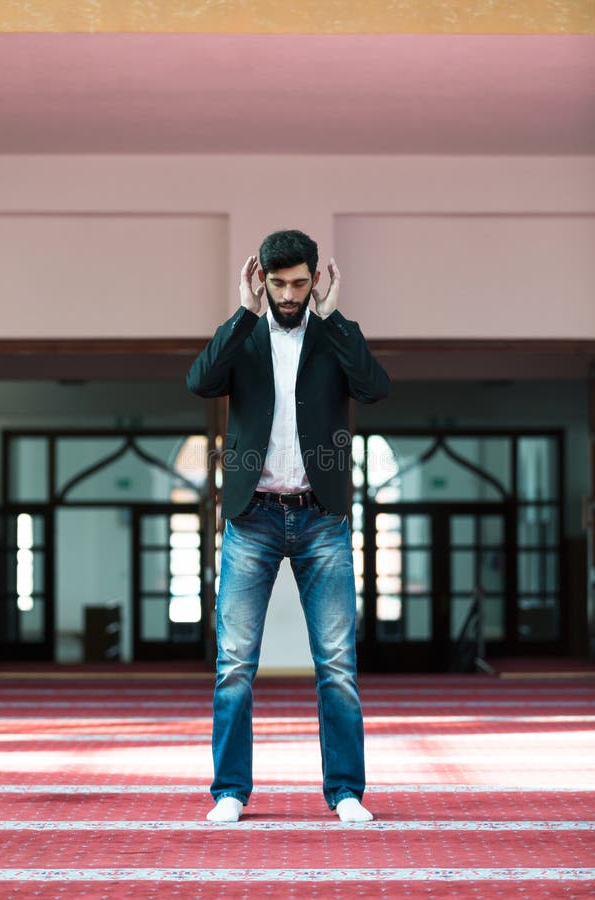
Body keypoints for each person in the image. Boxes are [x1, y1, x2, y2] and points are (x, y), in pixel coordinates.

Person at [187, 229, 390, 823]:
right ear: (263, 280)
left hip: (320, 516)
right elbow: (200, 381)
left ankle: (346, 791)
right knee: (234, 666)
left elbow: (375, 389)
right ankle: (229, 792)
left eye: (300, 284)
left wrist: (335, 318)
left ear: (315, 279)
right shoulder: (245, 335)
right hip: (253, 518)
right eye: (279, 284)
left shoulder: (329, 335)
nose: (290, 294)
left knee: (336, 665)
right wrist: (241, 314)